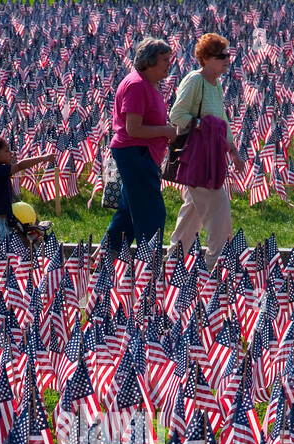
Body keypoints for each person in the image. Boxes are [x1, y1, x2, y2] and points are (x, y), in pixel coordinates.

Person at [168, 33, 244, 270]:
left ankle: (170, 266)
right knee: (220, 215)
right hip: (198, 160)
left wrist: (232, 149)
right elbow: (176, 115)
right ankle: (216, 271)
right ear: (207, 58)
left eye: (228, 55)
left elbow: (222, 120)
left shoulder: (216, 84)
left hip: (212, 158)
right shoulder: (195, 80)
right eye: (222, 56)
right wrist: (203, 126)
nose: (227, 60)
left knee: (190, 220)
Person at [103, 37, 180, 255]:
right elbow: (133, 129)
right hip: (135, 154)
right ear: (149, 61)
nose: (169, 63)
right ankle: (150, 263)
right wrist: (166, 131)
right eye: (164, 59)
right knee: (151, 213)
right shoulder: (136, 85)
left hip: (141, 155)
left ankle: (105, 260)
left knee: (127, 215)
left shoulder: (148, 85)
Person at [0, 136, 55, 262]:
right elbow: (19, 166)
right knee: (1, 257)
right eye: (7, 151)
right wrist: (43, 158)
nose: (11, 154)